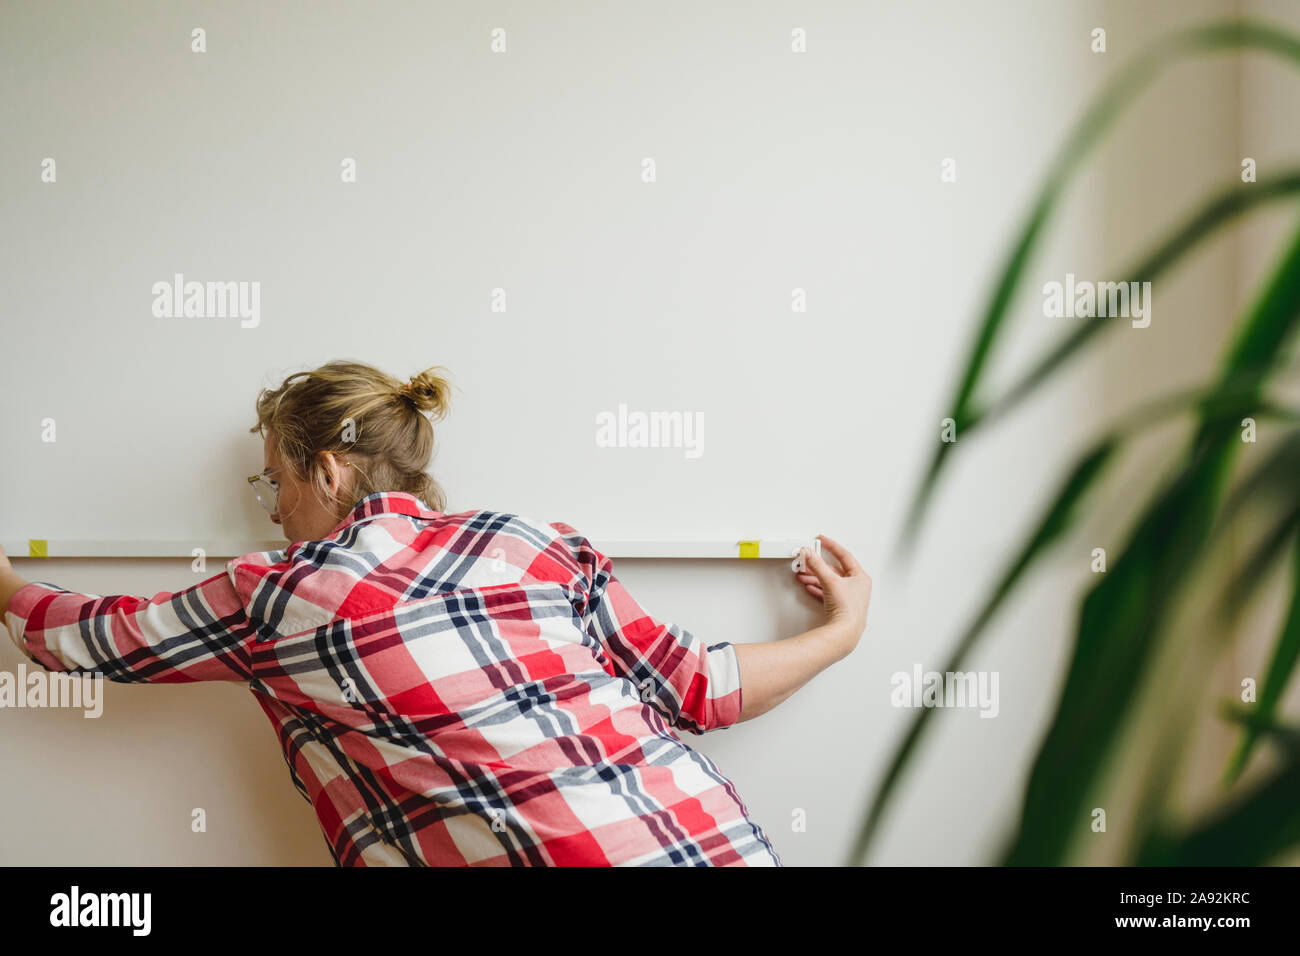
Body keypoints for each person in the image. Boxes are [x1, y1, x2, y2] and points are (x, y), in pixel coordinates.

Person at [0, 359, 872, 866]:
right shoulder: (528, 538)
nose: (270, 507)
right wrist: (841, 635)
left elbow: (87, 638)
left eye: (274, 478)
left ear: (329, 473)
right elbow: (701, 687)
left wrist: (4, 582)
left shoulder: (276, 592)